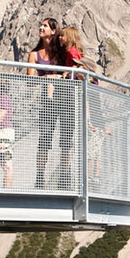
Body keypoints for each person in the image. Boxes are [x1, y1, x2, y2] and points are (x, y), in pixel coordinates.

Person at [35, 22, 86, 187]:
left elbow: (77, 67)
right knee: (50, 139)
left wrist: (61, 77)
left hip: (65, 97)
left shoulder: (68, 52)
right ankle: (45, 177)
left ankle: (63, 176)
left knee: (65, 140)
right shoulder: (42, 54)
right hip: (53, 99)